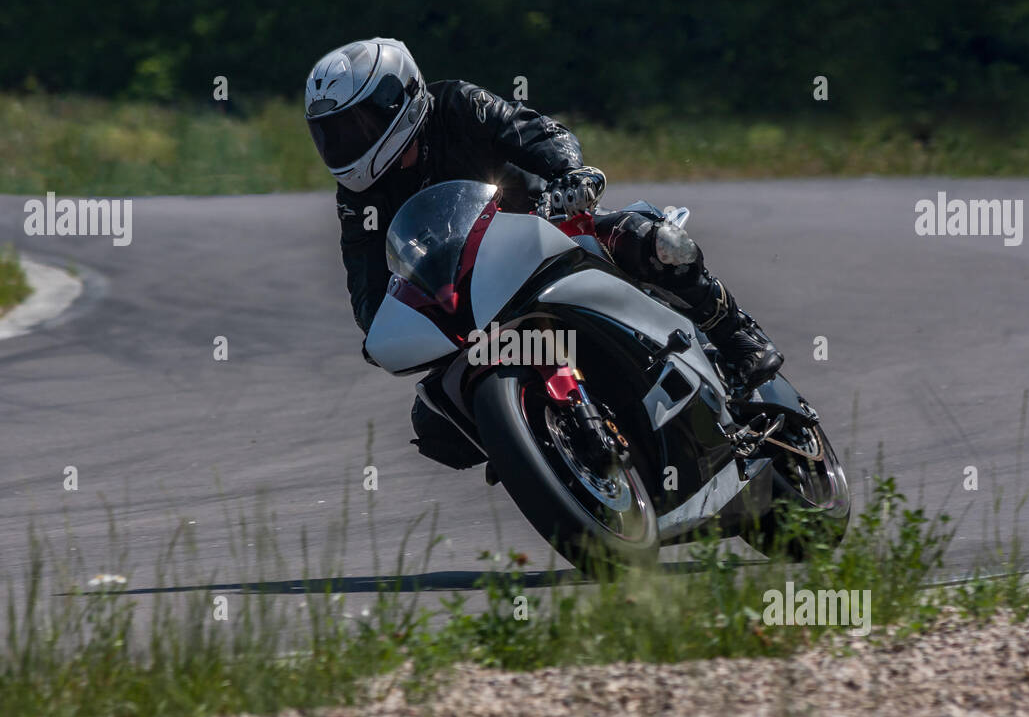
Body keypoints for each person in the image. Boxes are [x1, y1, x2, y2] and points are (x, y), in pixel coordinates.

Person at [305, 37, 782, 469]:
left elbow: (536, 132)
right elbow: (364, 279)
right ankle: (535, 445)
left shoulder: (457, 104)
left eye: (356, 125)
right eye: (333, 134)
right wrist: (378, 327)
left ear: (398, 97)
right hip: (469, 291)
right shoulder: (358, 198)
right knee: (434, 421)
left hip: (545, 230)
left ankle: (736, 332)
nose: (346, 144)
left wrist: (568, 173)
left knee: (652, 241)